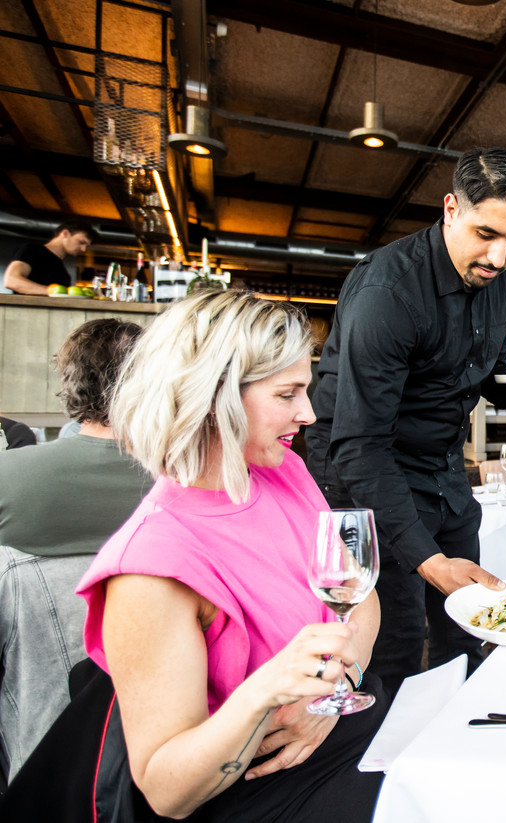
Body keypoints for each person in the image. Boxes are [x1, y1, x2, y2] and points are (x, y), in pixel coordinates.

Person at [74, 291, 385, 821]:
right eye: (287, 394)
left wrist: (336, 689)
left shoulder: (282, 472)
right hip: (264, 791)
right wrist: (263, 694)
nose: (308, 413)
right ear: (213, 397)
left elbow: (362, 599)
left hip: (348, 734)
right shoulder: (150, 567)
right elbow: (168, 792)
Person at [306, 148, 506, 684]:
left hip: (442, 470)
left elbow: (486, 369)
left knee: (468, 627)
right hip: (366, 476)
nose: (499, 257)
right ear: (451, 209)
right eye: (486, 234)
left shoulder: (497, 279)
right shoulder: (387, 292)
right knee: (394, 643)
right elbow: (359, 443)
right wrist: (429, 561)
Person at [0, 318, 151, 781]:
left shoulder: (10, 474)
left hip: (33, 727)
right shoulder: (194, 480)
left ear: (70, 384)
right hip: (159, 723)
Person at [3, 223, 98, 294]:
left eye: (86, 246)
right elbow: (12, 281)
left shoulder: (63, 271)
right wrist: (55, 292)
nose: (83, 249)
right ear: (65, 233)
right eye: (81, 242)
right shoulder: (33, 250)